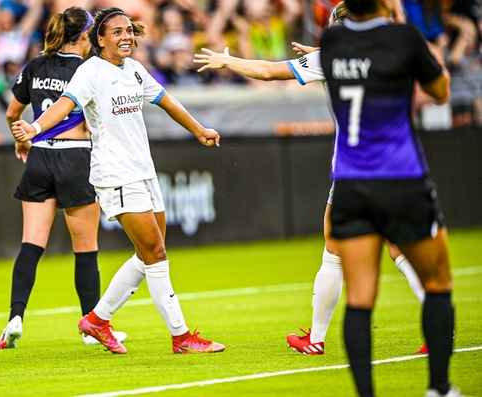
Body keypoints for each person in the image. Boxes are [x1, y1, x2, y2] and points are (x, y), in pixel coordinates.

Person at [193, 1, 429, 356]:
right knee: (400, 248)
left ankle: (316, 339)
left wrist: (229, 61)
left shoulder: (330, 59)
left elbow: (270, 72)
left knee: (333, 253)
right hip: (398, 164)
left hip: (354, 168)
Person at [12, 7, 225, 355]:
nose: (126, 36)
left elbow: (167, 102)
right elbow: (64, 105)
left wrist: (199, 129)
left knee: (149, 253)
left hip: (144, 171)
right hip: (116, 174)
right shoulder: (90, 72)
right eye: (116, 32)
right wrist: (34, 128)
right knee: (154, 253)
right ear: (100, 39)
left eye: (129, 30)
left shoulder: (135, 70)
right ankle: (181, 336)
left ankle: (97, 320)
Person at [321, 0, 455, 395]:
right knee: (438, 282)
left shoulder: (331, 43)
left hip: (350, 182)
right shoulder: (403, 38)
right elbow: (441, 91)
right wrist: (398, 19)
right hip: (402, 180)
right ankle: (439, 388)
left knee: (360, 298)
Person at [0, 6, 125, 350]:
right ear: (85, 37)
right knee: (85, 250)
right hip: (75, 156)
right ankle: (91, 328)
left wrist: (21, 140)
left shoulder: (36, 65)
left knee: (30, 245)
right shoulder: (91, 69)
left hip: (40, 156)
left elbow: (12, 113)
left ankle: (15, 317)